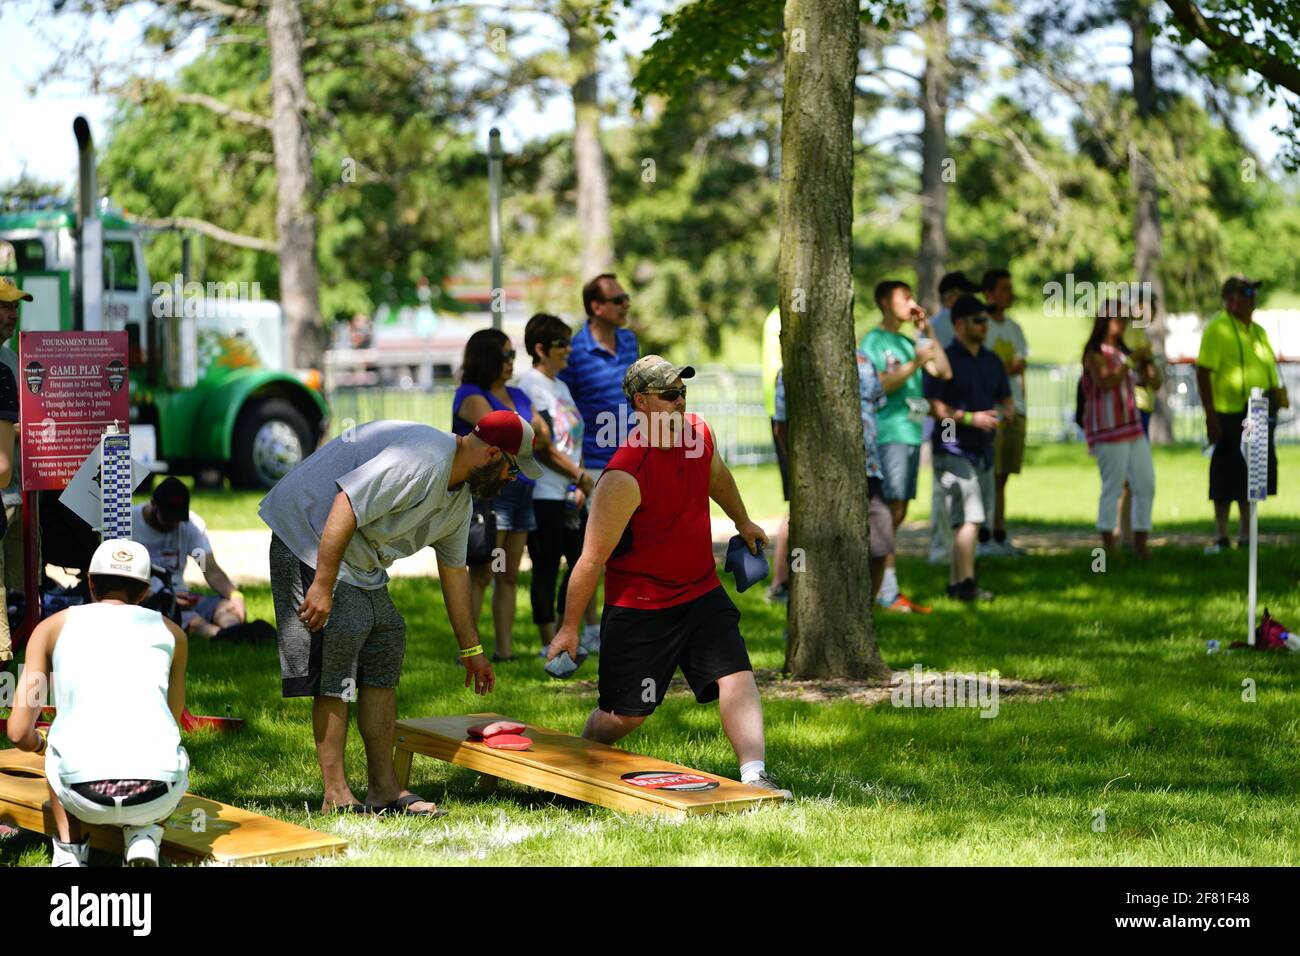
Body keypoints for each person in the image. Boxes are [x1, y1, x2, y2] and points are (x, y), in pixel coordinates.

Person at [258, 411, 542, 815]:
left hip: (359, 557)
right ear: (493, 454)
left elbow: (454, 571)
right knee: (337, 654)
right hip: (308, 534)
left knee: (386, 637)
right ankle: (335, 795)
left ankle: (384, 790)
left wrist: (471, 649)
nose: (512, 481)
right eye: (513, 471)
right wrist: (322, 585)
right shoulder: (424, 457)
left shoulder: (458, 499)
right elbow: (347, 503)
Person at [548, 355, 791, 798]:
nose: (681, 402)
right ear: (641, 402)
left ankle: (755, 774)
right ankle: (578, 759)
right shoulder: (625, 473)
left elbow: (717, 478)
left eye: (683, 392)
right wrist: (568, 629)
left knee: (735, 674)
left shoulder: (699, 434)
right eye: (670, 395)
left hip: (701, 592)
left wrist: (743, 522)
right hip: (641, 608)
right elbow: (590, 559)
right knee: (627, 715)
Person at [7, 539, 189, 867]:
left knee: (56, 747)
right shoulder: (173, 634)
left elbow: (19, 731)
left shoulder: (50, 629)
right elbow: (173, 723)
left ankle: (69, 852)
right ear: (145, 591)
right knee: (163, 743)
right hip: (158, 791)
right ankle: (144, 835)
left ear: (90, 581)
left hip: (82, 794)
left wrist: (41, 743)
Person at [452, 328, 551, 661]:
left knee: (508, 575)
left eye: (512, 355)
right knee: (482, 573)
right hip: (493, 495)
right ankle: (467, 648)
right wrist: (525, 428)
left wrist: (522, 427)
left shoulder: (517, 395)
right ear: (487, 358)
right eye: (505, 355)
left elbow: (543, 435)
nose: (512, 362)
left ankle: (504, 652)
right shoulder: (469, 394)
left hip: (523, 489)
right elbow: (512, 431)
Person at [860, 279, 951, 613]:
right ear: (886, 302)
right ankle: (885, 588)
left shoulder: (907, 340)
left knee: (898, 510)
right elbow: (878, 384)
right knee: (888, 512)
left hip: (912, 433)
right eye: (905, 297)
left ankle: (884, 584)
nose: (912, 302)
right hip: (889, 433)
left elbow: (943, 370)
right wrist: (914, 363)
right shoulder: (874, 341)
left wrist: (927, 331)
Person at [558, 274, 639, 645]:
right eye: (618, 299)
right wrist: (574, 473)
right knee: (591, 550)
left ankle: (629, 617)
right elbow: (565, 409)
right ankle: (587, 628)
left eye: (626, 297)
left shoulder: (629, 341)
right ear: (596, 307)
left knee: (632, 545)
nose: (626, 304)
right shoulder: (574, 351)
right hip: (591, 462)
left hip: (632, 459)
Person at [923, 296, 1014, 602]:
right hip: (953, 448)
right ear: (958, 324)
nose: (984, 326)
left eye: (986, 320)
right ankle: (967, 584)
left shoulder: (992, 361)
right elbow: (934, 406)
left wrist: (1004, 415)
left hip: (984, 451)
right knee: (970, 519)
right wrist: (971, 419)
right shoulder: (944, 361)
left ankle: (955, 584)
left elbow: (1006, 400)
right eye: (978, 320)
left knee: (972, 520)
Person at [517, 314, 597, 657]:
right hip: (543, 492)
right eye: (561, 344)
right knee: (546, 565)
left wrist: (579, 482)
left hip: (570, 493)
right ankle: (546, 641)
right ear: (540, 349)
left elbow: (571, 442)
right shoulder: (529, 386)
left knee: (582, 561)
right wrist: (578, 476)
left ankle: (568, 632)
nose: (569, 349)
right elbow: (540, 446)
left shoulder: (561, 386)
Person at [1196, 276, 1283, 553]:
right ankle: (1221, 533)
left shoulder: (1258, 331)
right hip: (1227, 412)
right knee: (1224, 473)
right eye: (1246, 292)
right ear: (1231, 299)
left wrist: (1276, 394)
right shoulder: (1217, 329)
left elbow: (1269, 368)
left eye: (1253, 293)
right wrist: (1210, 413)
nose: (1252, 298)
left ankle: (1247, 533)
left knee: (1252, 473)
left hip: (1257, 412)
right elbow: (1203, 371)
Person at [132, 477, 270, 640]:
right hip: (146, 599)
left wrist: (234, 595)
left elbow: (209, 569)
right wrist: (164, 598)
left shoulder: (190, 526)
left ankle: (237, 631)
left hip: (182, 594)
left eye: (178, 518)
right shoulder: (130, 524)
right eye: (169, 517)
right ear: (154, 504)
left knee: (224, 607)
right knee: (191, 620)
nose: (174, 524)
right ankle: (220, 635)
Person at [1080, 302, 1157, 557]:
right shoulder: (1094, 353)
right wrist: (1130, 361)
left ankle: (1141, 544)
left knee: (1145, 483)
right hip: (1108, 430)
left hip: (1132, 427)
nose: (1122, 324)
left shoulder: (1124, 351)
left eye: (1125, 319)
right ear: (1105, 320)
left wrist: (1147, 364)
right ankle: (1108, 549)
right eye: (1117, 319)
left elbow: (1150, 383)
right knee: (1113, 488)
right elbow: (1105, 382)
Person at [927, 272, 979, 567]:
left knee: (958, 485)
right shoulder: (940, 326)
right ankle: (940, 548)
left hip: (957, 412)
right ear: (950, 296)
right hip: (944, 415)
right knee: (944, 484)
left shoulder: (951, 323)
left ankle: (956, 549)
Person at [979, 269, 1029, 557]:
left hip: (1015, 409)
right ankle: (985, 535)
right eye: (1004, 289)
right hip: (991, 411)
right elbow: (991, 369)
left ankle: (999, 531)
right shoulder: (981, 325)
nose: (1010, 294)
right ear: (989, 294)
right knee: (991, 473)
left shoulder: (1014, 327)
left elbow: (1020, 366)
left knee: (1004, 476)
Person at [0, 278, 25, 664]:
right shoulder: (4, 373)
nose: (11, 314)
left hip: (17, 492)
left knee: (17, 587)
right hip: (5, 493)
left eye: (15, 306)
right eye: (3, 307)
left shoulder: (9, 359)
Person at [762, 307, 790, 603]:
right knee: (797, 503)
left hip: (783, 416)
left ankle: (785, 579)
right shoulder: (782, 316)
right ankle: (781, 580)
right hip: (785, 420)